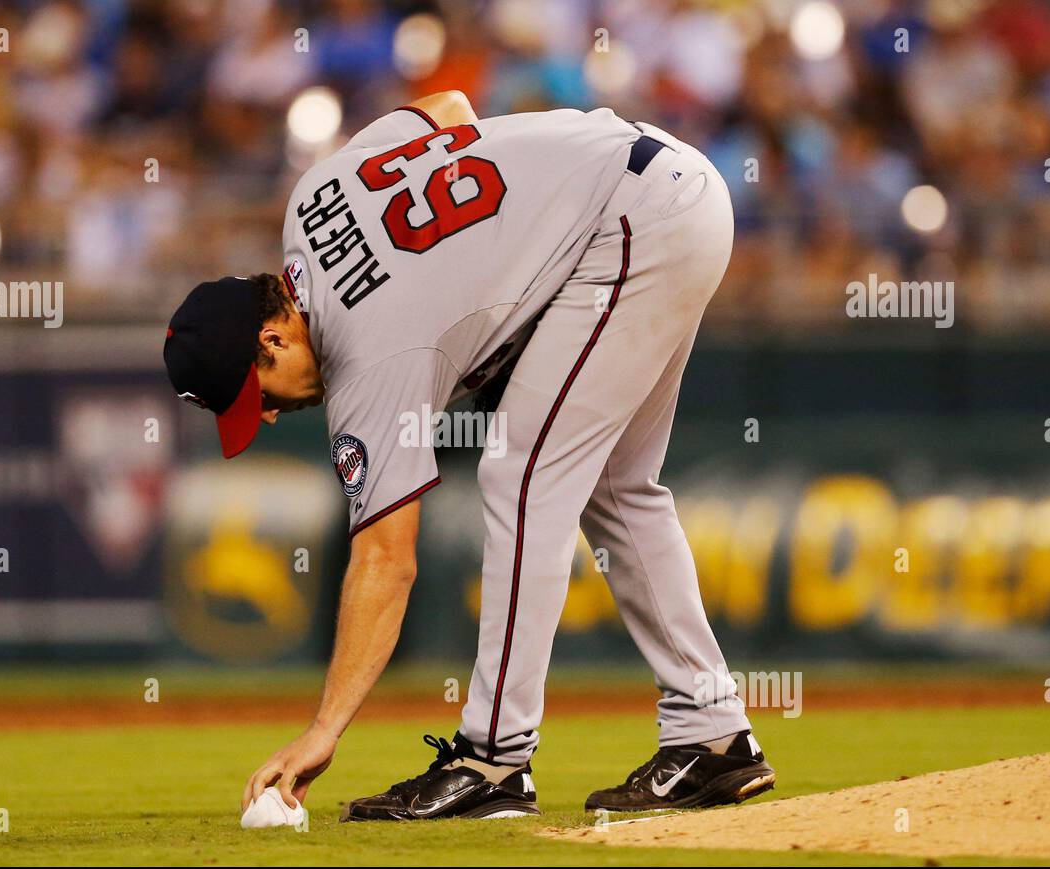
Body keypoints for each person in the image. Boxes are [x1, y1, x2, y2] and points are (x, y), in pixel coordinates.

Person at [163, 90, 775, 821]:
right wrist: (503, 252)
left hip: (632, 224)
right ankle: (712, 737)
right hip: (663, 187)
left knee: (521, 474)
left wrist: (325, 728)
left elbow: (387, 561)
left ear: (272, 339)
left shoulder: (366, 357)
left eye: (253, 395)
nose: (265, 413)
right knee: (617, 487)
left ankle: (494, 759)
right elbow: (449, 110)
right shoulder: (313, 197)